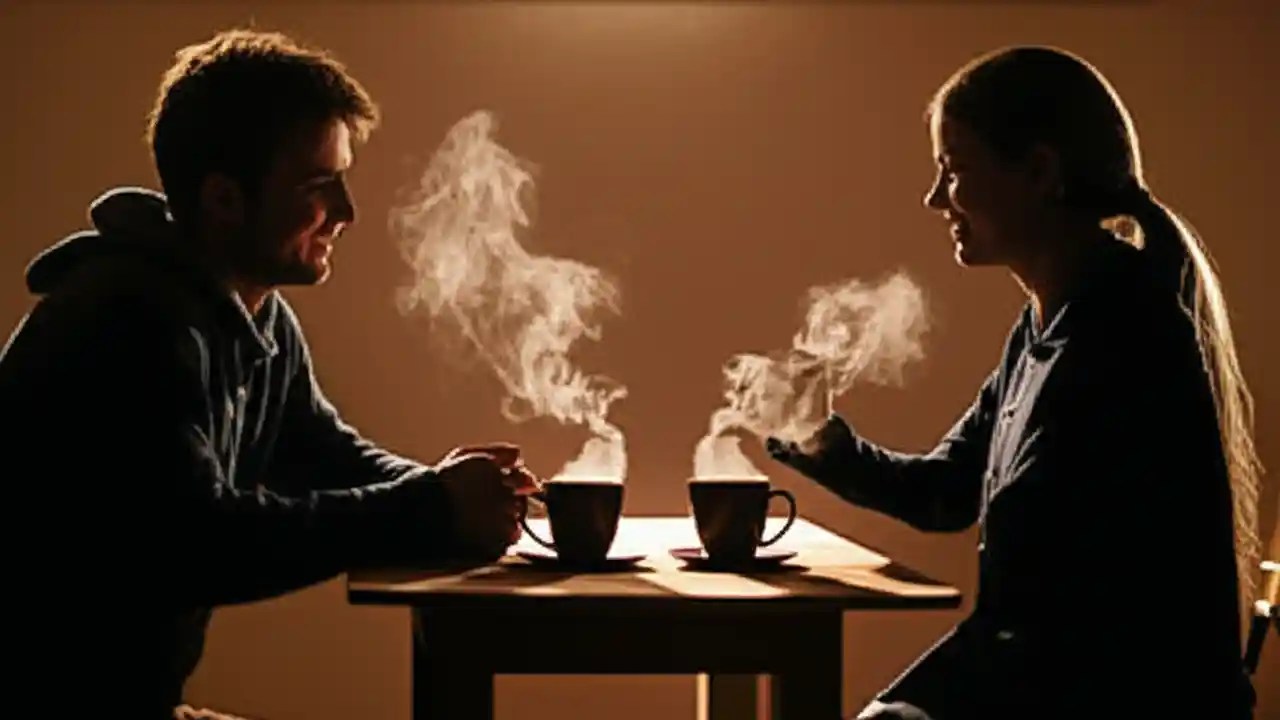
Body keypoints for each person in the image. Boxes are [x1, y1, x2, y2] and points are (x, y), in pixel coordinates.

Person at [0, 29, 539, 720]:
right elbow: (205, 542)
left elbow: (322, 455)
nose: (346, 212)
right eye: (320, 185)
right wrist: (432, 506)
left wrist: (448, 487)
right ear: (225, 199)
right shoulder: (128, 323)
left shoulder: (256, 314)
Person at [767, 45, 1262, 719]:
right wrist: (817, 440)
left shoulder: (1125, 338)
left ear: (1038, 171)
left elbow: (1072, 629)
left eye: (954, 169)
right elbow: (947, 492)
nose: (936, 197)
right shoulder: (1044, 328)